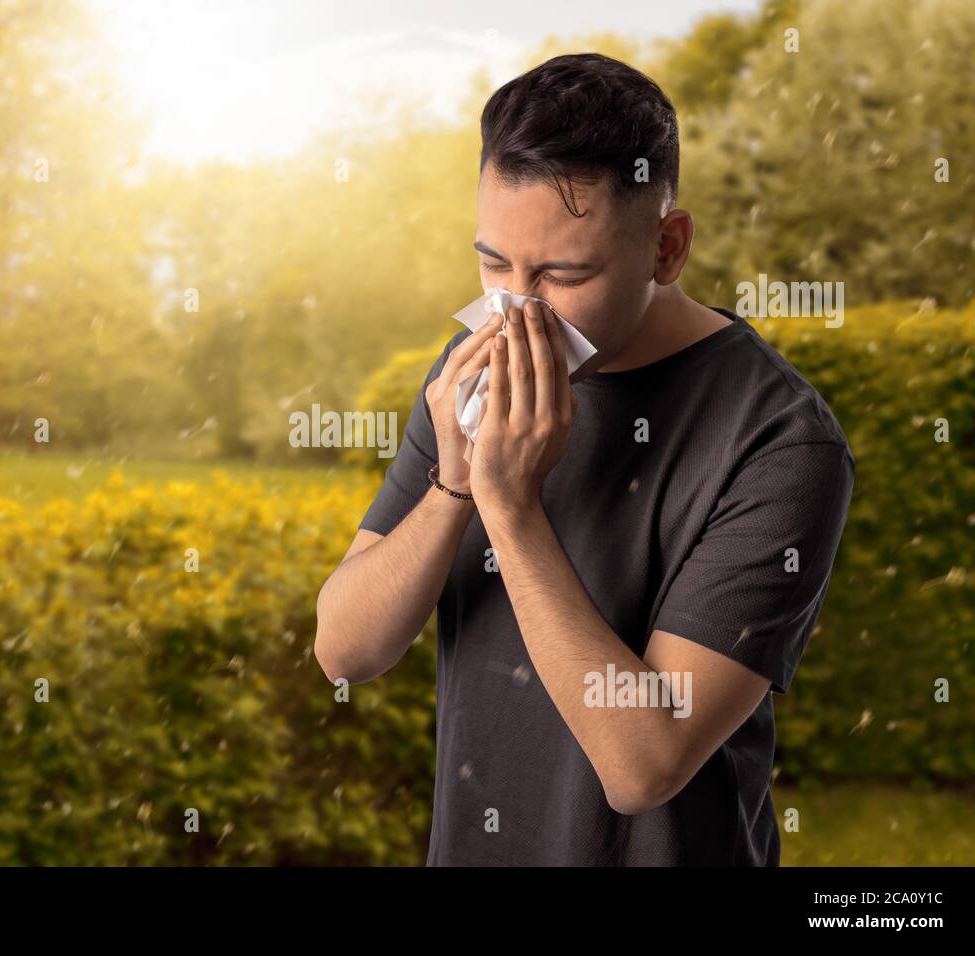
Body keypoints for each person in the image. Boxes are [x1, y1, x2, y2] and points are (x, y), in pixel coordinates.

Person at [313, 52, 855, 866]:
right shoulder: (466, 371)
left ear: (667, 248)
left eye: (563, 274)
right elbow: (344, 652)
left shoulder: (779, 441)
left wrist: (510, 503)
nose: (516, 310)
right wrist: (453, 484)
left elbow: (644, 767)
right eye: (495, 263)